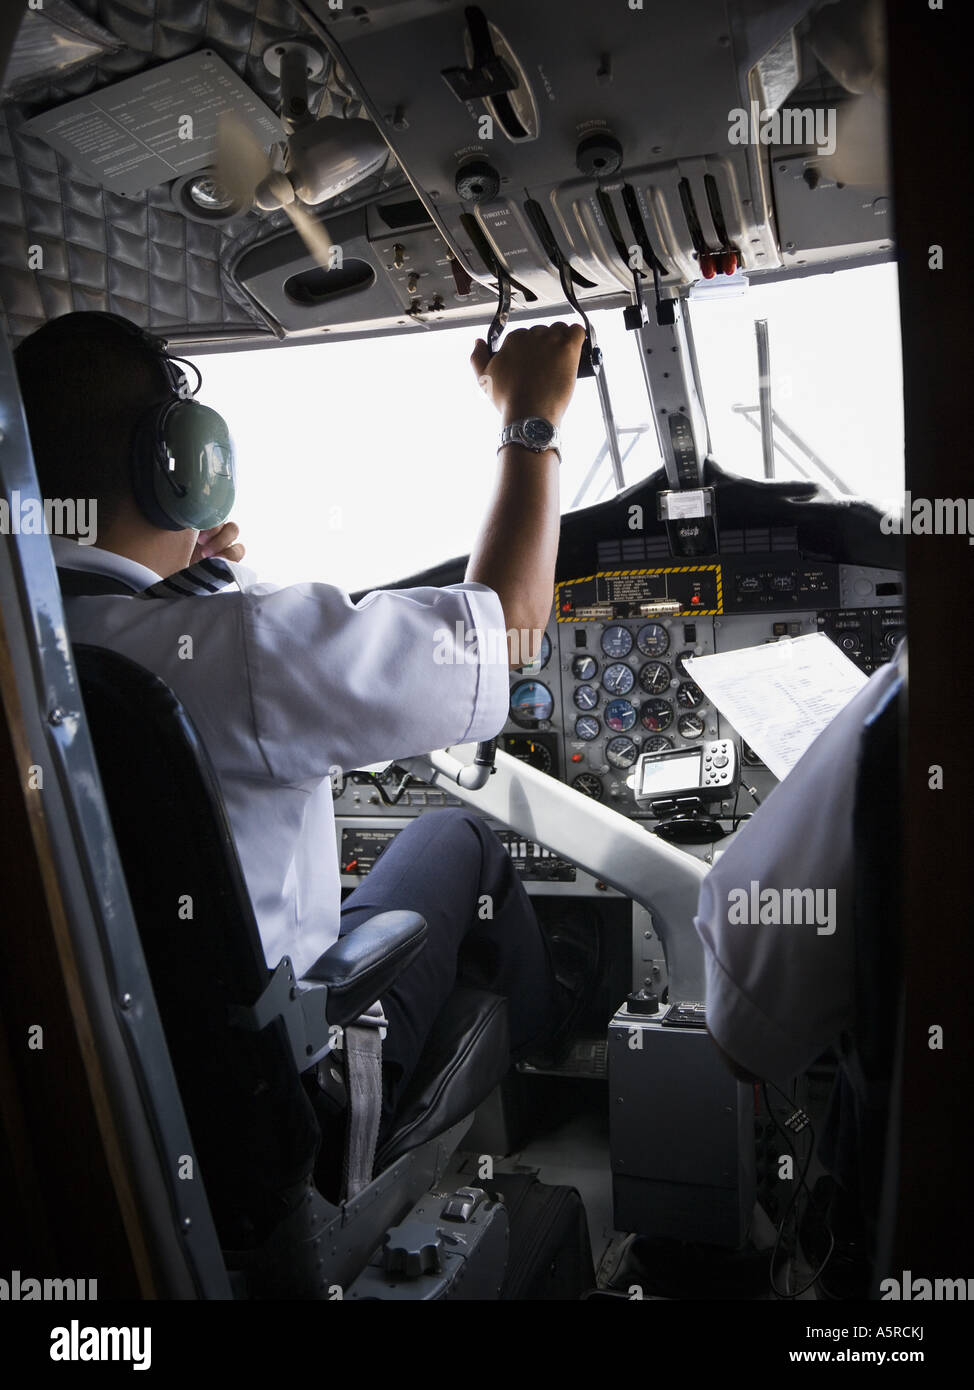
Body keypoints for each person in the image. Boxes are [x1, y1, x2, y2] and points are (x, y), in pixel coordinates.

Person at [14, 310, 593, 1153]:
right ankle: (557, 1055)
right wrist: (529, 420)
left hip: (96, 1118)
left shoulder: (28, 657)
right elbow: (508, 627)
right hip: (290, 1107)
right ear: (183, 469)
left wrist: (182, 565)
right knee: (458, 837)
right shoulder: (245, 647)